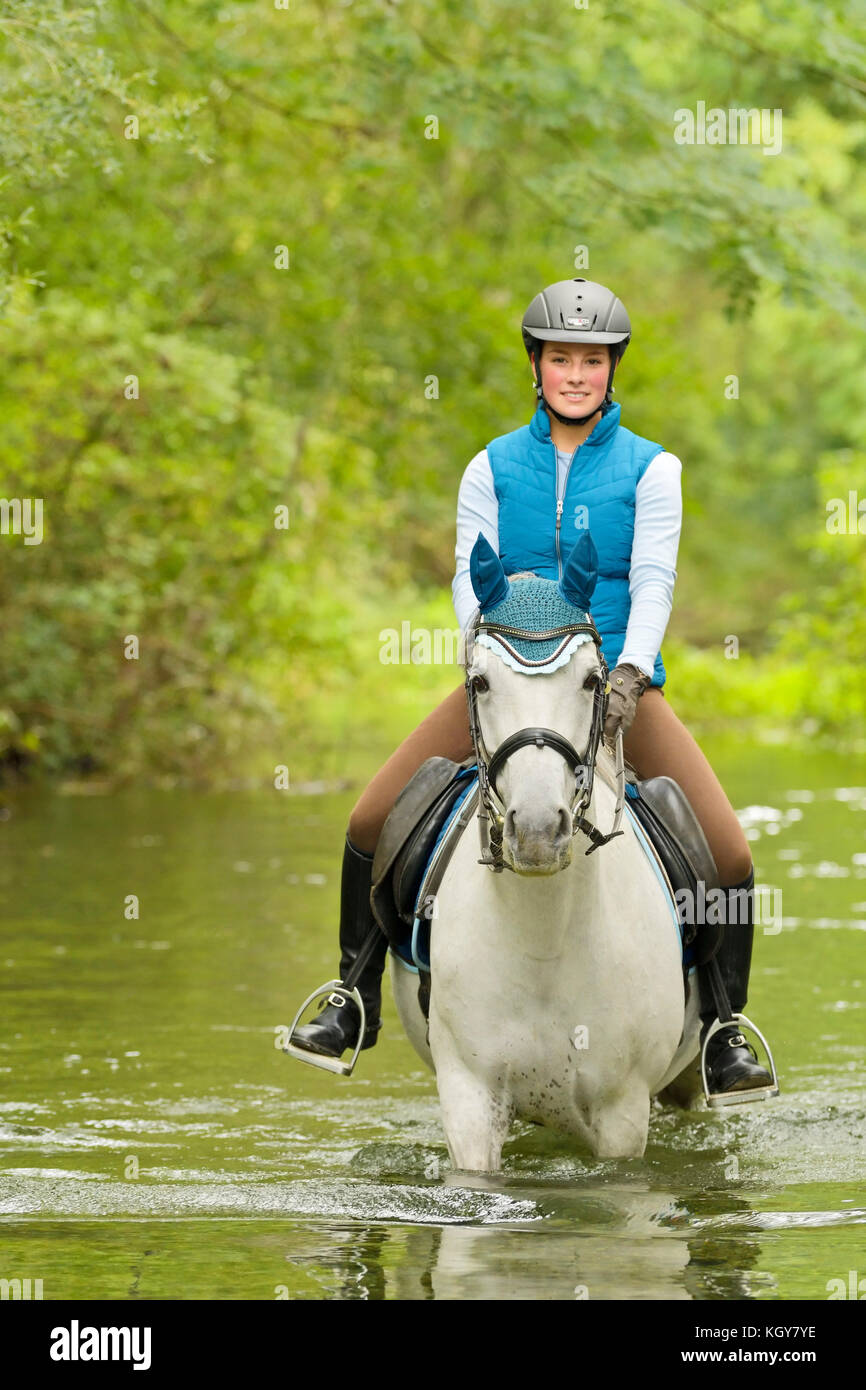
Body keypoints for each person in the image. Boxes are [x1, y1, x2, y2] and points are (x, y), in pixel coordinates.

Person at [290, 277, 773, 1097]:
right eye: (561, 359)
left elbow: (653, 579)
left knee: (728, 852)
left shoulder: (653, 469)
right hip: (509, 683)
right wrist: (483, 663)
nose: (576, 374)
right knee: (371, 815)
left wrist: (627, 673)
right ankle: (354, 995)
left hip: (612, 687)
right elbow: (465, 578)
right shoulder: (490, 466)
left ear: (611, 369)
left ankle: (724, 1029)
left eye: (591, 360)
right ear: (537, 366)